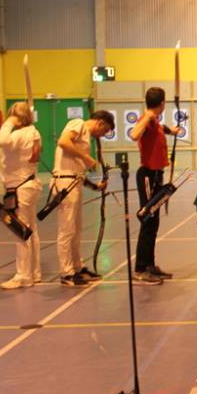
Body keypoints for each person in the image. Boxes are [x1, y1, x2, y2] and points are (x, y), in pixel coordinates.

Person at [52, 110, 115, 286]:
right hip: (65, 183)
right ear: (100, 122)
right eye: (104, 130)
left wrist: (96, 187)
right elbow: (63, 141)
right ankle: (66, 273)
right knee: (67, 230)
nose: (102, 135)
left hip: (74, 182)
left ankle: (77, 267)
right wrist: (86, 157)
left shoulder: (85, 134)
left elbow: (78, 170)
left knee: (76, 230)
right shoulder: (78, 124)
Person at [128, 87, 180, 285]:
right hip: (148, 176)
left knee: (154, 222)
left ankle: (149, 265)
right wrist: (149, 115)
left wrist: (171, 130)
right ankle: (140, 269)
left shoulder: (155, 122)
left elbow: (159, 128)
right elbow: (134, 134)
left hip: (157, 176)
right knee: (148, 220)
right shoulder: (148, 118)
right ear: (162, 103)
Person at [0, 102, 42, 289]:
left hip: (20, 186)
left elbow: (0, 141)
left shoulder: (19, 134)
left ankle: (23, 276)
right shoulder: (34, 132)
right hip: (29, 184)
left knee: (20, 231)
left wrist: (9, 122)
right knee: (31, 230)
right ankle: (34, 272)